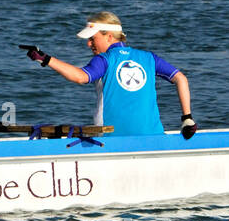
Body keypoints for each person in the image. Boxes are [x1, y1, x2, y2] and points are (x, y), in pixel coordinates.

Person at [22, 10, 196, 138]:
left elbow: (80, 77)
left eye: (92, 39)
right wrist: (187, 118)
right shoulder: (149, 58)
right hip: (153, 137)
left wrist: (45, 59)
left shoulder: (105, 60)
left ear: (109, 37)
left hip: (113, 139)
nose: (89, 44)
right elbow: (181, 79)